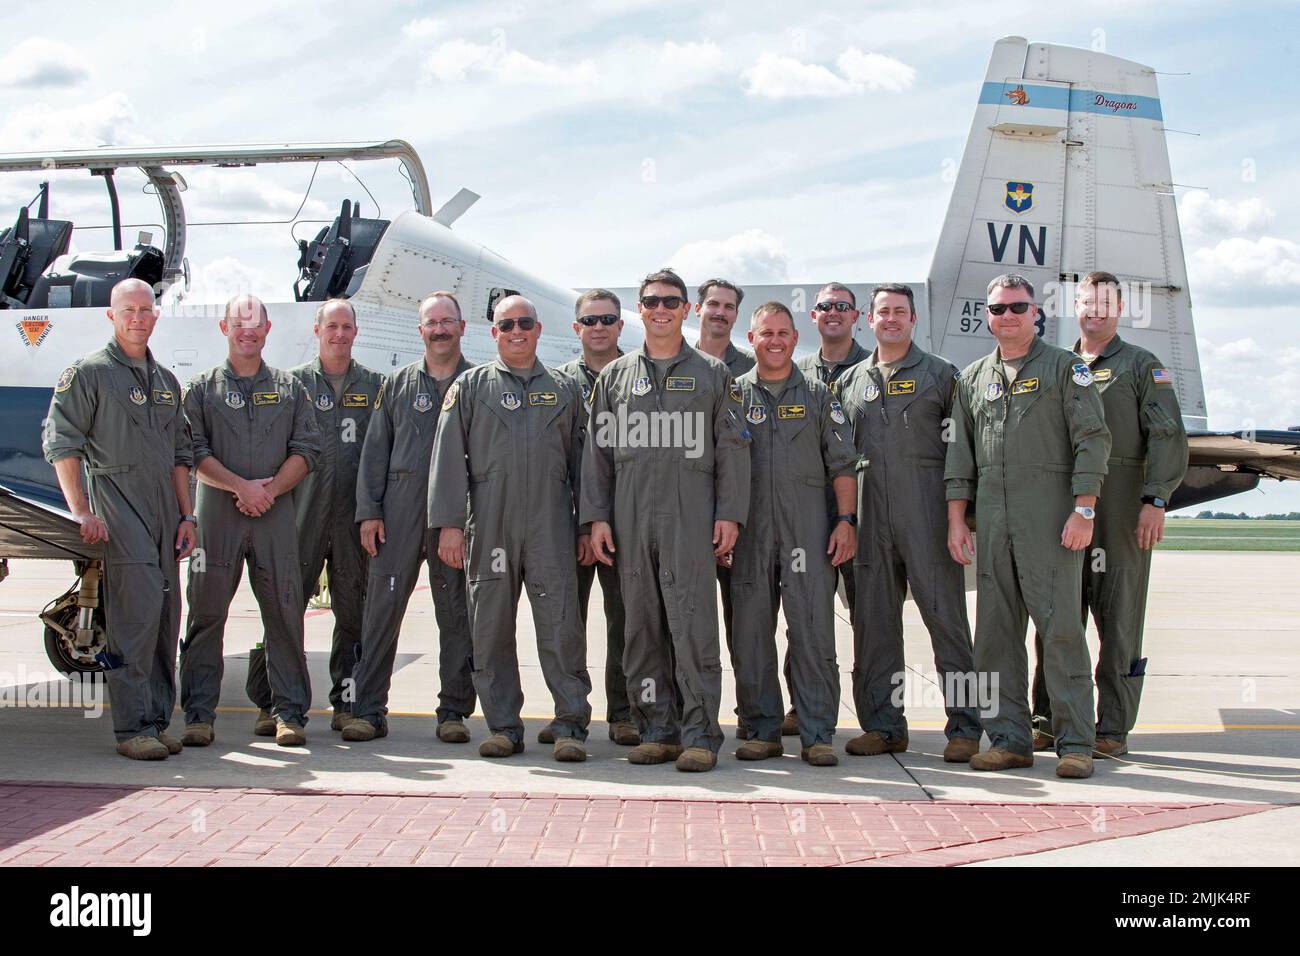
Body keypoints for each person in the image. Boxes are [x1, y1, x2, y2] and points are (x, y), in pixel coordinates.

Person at [581, 268, 751, 773]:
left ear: (686, 310)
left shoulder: (713, 374)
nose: (661, 309)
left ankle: (700, 734)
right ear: (641, 308)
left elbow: (732, 450)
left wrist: (729, 516)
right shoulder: (615, 376)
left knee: (693, 625)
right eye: (652, 301)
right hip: (631, 516)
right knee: (642, 627)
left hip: (691, 514)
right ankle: (657, 729)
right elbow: (597, 454)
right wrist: (596, 518)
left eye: (671, 301)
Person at [945, 274, 1111, 779]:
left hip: (1051, 524)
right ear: (988, 316)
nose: (1008, 316)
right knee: (994, 638)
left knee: (1060, 631)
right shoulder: (973, 378)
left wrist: (1084, 509)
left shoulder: (1066, 370)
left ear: (1035, 312)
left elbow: (1093, 439)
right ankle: (1009, 740)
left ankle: (1076, 742)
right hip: (994, 526)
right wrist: (958, 519)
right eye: (997, 309)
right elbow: (960, 456)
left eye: (1017, 307)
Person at [1030, 271, 1188, 756]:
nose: (1095, 311)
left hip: (1120, 509)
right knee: (1057, 618)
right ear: (1072, 307)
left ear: (1119, 309)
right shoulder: (1059, 365)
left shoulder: (1141, 366)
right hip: (1067, 508)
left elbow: (1167, 436)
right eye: (1086, 302)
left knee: (1118, 618)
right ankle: (1050, 718)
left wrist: (1155, 499)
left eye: (1105, 303)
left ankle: (1113, 726)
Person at [430, 295, 593, 761]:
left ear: (539, 329)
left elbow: (585, 465)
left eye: (524, 323)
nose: (516, 331)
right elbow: (447, 461)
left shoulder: (563, 389)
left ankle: (569, 724)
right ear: (492, 332)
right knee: (491, 626)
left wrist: (587, 526)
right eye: (506, 325)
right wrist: (448, 526)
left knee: (561, 625)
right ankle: (503, 725)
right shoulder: (470, 387)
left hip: (551, 526)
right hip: (490, 524)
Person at [43, 278, 196, 760]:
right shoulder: (88, 374)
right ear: (112, 316)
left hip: (165, 514)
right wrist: (81, 512)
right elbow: (62, 444)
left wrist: (187, 515)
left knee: (165, 617)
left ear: (155, 316)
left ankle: (155, 719)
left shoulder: (167, 382)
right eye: (128, 309)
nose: (137, 318)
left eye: (146, 310)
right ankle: (131, 729)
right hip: (118, 504)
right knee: (135, 615)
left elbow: (180, 454)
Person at [837, 284, 982, 762]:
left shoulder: (942, 376)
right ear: (869, 320)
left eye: (900, 311)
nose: (891, 319)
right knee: (874, 626)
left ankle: (965, 727)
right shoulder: (851, 381)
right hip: (871, 515)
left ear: (913, 319)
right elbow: (838, 458)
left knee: (947, 621)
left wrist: (959, 516)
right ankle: (883, 725)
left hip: (927, 513)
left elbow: (963, 450)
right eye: (883, 312)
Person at [180, 294, 319, 747]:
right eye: (238, 322)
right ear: (224, 329)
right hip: (216, 518)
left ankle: (288, 714)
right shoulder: (200, 390)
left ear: (267, 328)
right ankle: (199, 714)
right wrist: (241, 487)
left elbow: (307, 450)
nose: (247, 330)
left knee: (283, 616)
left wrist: (270, 491)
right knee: (206, 616)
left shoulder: (290, 388)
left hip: (274, 518)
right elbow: (193, 452)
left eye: (255, 322)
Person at [341, 293, 476, 744]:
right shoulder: (397, 384)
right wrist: (369, 513)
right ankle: (368, 709)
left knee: (456, 615)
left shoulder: (479, 384)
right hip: (397, 515)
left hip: (454, 521)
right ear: (420, 331)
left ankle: (454, 712)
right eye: (431, 322)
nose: (439, 329)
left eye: (447, 322)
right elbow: (373, 453)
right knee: (381, 613)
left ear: (462, 327)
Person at [245, 299, 383, 734]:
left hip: (352, 520)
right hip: (299, 518)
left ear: (355, 333)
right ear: (317, 330)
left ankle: (347, 704)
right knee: (284, 611)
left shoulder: (376, 386)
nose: (339, 334)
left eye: (346, 327)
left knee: (353, 613)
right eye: (331, 327)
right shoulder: (291, 385)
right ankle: (271, 703)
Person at [729, 302, 857, 766]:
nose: (776, 340)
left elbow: (843, 466)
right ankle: (761, 731)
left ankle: (817, 732)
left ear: (794, 336)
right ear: (752, 338)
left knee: (813, 633)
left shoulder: (821, 395)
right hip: (750, 536)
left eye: (784, 332)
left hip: (809, 532)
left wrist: (847, 521)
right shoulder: (733, 395)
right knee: (751, 635)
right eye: (767, 333)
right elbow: (719, 469)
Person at [785, 281, 871, 734]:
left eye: (842, 306)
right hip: (805, 518)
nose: (833, 312)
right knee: (805, 619)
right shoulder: (796, 373)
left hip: (862, 517)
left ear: (856, 316)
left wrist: (849, 518)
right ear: (812, 317)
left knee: (870, 619)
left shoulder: (876, 368)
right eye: (824, 307)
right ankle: (804, 707)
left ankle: (877, 717)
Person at [554, 288, 638, 747]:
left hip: (623, 520)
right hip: (568, 522)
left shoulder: (638, 377)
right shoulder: (557, 382)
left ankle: (623, 712)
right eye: (590, 320)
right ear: (577, 328)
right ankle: (570, 713)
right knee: (565, 621)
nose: (599, 327)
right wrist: (583, 523)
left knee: (624, 619)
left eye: (608, 319)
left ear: (621, 326)